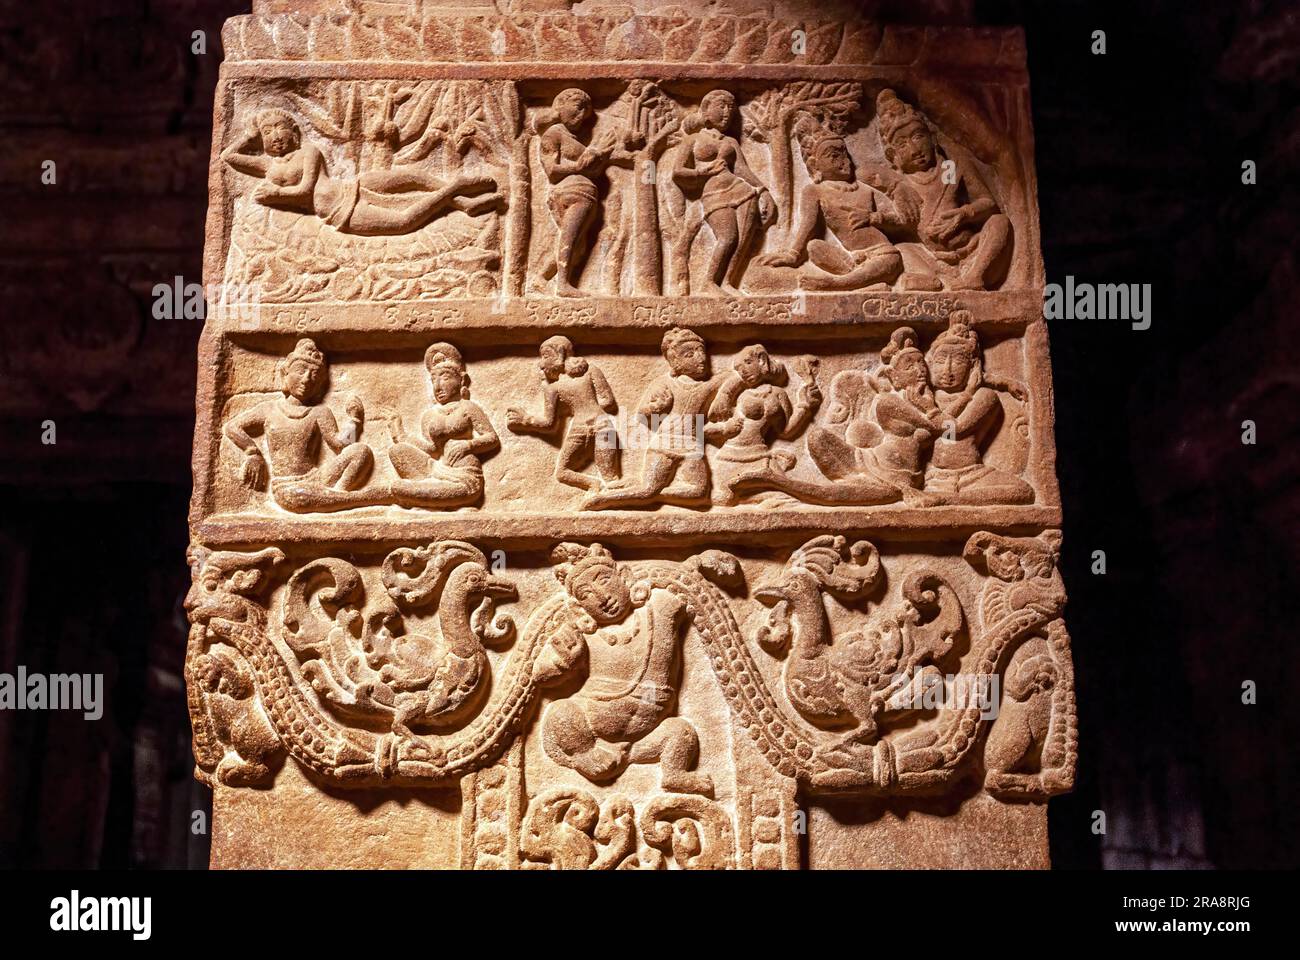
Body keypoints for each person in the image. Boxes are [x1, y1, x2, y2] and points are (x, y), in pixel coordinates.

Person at [221, 107, 499, 236]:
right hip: (339, 212)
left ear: (294, 132)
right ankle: (459, 195)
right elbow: (229, 156)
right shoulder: (268, 165)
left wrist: (276, 193)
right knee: (403, 220)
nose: (274, 136)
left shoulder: (310, 152)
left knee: (410, 177)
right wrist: (250, 134)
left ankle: (461, 198)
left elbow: (304, 191)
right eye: (268, 133)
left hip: (347, 188)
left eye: (279, 128)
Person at [866, 89, 1010, 290]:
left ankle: (973, 279)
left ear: (932, 139)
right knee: (901, 250)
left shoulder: (949, 168)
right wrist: (896, 186)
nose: (914, 149)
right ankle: (938, 282)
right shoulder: (902, 182)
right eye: (902, 144)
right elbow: (861, 172)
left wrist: (964, 214)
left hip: (972, 252)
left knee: (999, 223)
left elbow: (988, 203)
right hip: (932, 259)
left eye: (918, 137)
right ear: (892, 155)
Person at [583, 327, 740, 510]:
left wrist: (725, 396)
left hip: (690, 447)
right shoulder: (665, 383)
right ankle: (603, 500)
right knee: (646, 490)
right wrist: (657, 407)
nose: (701, 359)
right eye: (690, 354)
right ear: (674, 362)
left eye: (701, 352)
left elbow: (738, 376)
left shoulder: (708, 386)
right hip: (664, 445)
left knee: (699, 494)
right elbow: (642, 414)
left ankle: (656, 497)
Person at [224, 338, 375, 512]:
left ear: (320, 383)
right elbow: (232, 427)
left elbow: (339, 445)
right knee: (295, 498)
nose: (307, 380)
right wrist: (253, 453)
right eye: (300, 371)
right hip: (287, 486)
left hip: (317, 478)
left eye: (314, 375)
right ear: (285, 374)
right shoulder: (269, 409)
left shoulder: (319, 412)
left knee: (361, 451)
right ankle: (357, 499)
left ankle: (338, 496)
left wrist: (354, 421)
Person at [757, 119, 904, 291]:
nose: (843, 161)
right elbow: (807, 226)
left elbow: (900, 219)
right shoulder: (815, 191)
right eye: (833, 156)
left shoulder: (865, 190)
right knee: (814, 247)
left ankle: (837, 284)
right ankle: (865, 284)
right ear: (814, 165)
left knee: (889, 261)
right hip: (851, 260)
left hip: (882, 252)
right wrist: (793, 254)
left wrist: (874, 217)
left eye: (844, 154)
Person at [672, 90, 775, 295]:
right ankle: (709, 283)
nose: (727, 112)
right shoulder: (693, 139)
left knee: (744, 239)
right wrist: (702, 172)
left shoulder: (731, 142)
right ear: (706, 110)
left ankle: (727, 282)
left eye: (731, 108)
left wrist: (764, 191)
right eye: (721, 106)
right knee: (728, 237)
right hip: (714, 194)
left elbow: (743, 171)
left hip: (742, 191)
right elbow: (677, 172)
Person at [388, 342, 500, 507]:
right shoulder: (429, 416)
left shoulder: (467, 407)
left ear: (461, 379)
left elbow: (492, 438)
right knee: (398, 451)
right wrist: (401, 436)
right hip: (437, 470)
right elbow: (432, 450)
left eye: (445, 378)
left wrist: (468, 445)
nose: (438, 386)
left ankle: (421, 497)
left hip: (464, 477)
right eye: (434, 380)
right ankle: (424, 492)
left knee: (399, 489)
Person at [506, 336, 621, 492]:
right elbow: (607, 402)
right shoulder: (591, 370)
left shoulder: (552, 388)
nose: (541, 363)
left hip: (579, 429)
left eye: (545, 356)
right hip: (603, 425)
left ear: (560, 353)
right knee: (611, 479)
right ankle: (610, 492)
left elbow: (548, 424)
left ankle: (592, 484)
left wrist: (526, 419)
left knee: (562, 473)